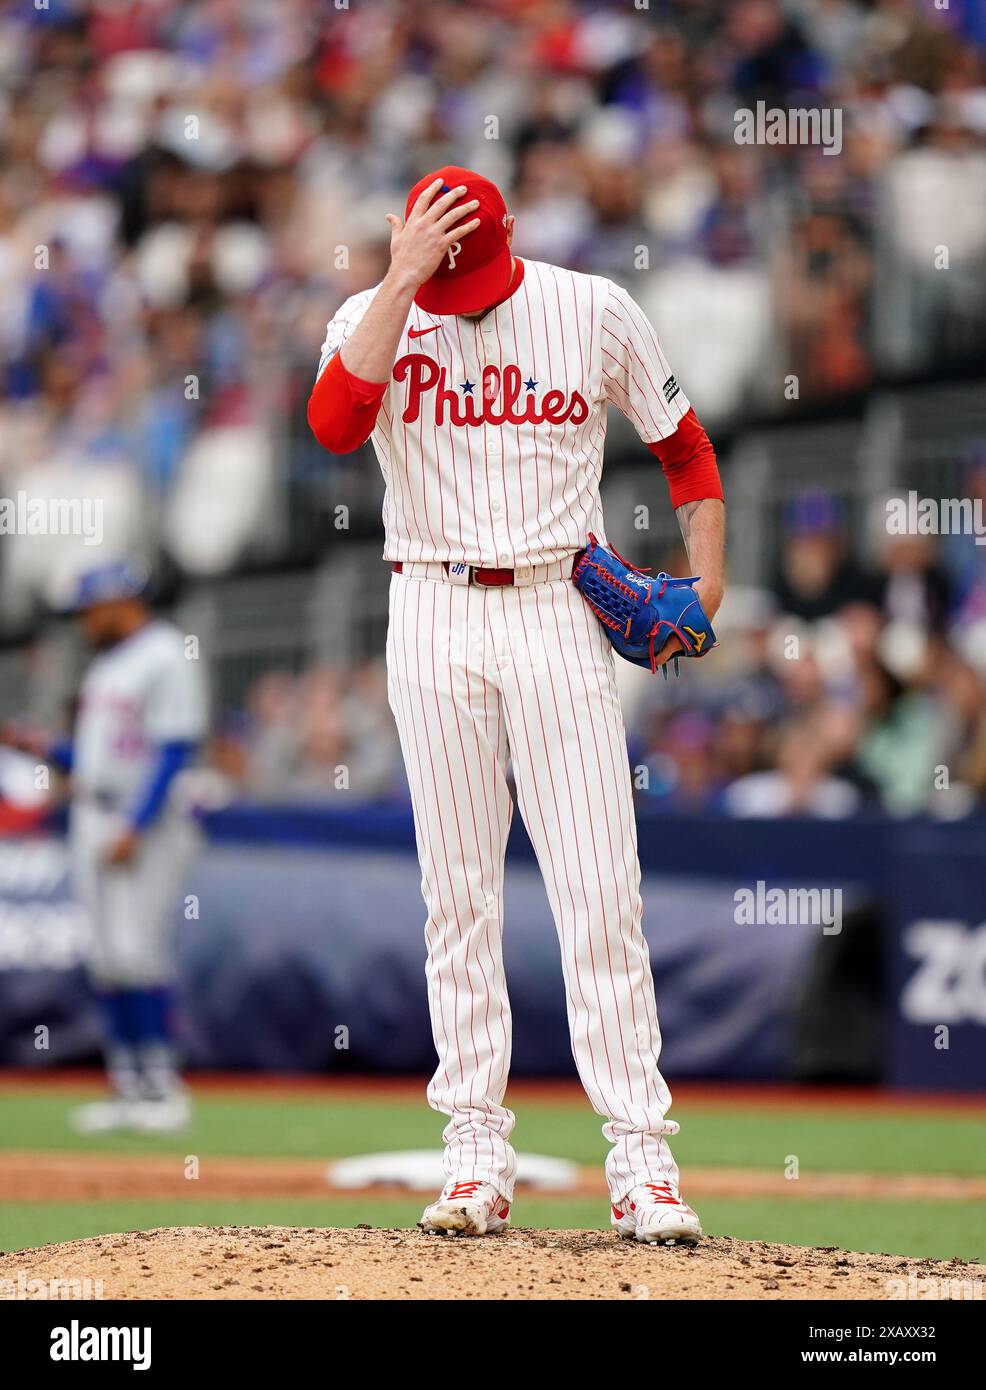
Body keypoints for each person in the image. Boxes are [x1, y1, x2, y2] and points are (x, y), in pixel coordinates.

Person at [309, 167, 726, 1244]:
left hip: (554, 604)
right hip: (430, 608)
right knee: (457, 900)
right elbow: (332, 426)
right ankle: (473, 1158)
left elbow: (683, 445)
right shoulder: (370, 317)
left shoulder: (587, 307)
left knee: (599, 893)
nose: (470, 300)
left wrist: (708, 581)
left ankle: (642, 1164)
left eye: (469, 276)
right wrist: (401, 278)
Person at [3, 562, 208, 1132]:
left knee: (138, 951)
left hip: (141, 820)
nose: (85, 621)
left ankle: (163, 1088)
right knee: (106, 956)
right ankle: (128, 1086)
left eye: (92, 609)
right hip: (95, 811)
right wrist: (44, 747)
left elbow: (174, 748)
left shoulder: (166, 652)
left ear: (121, 602)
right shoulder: (109, 666)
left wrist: (134, 825)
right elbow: (96, 764)